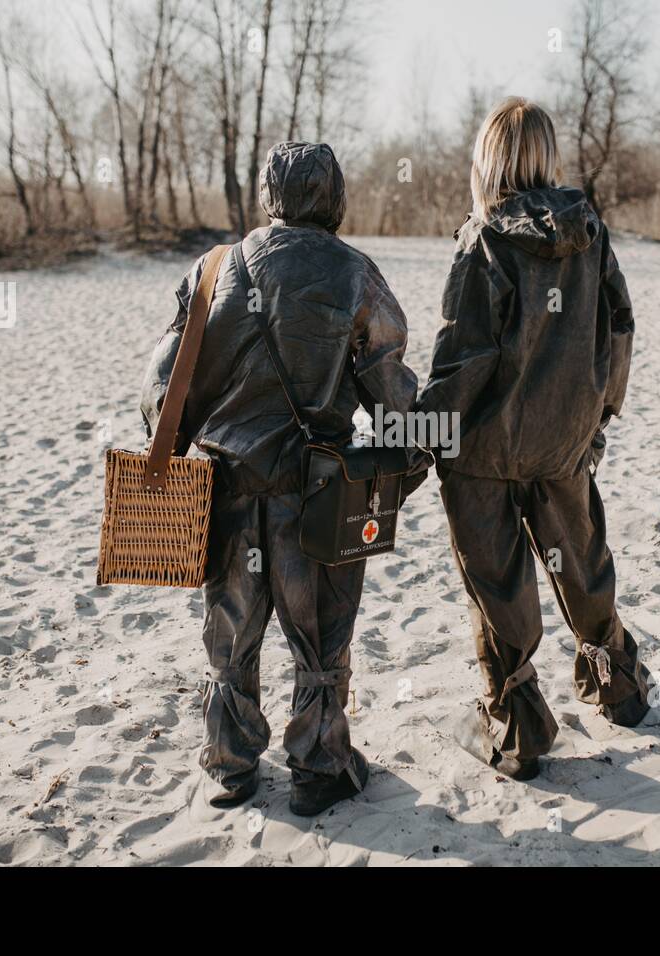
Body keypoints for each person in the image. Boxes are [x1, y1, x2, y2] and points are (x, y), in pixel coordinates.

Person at [140, 142, 422, 816]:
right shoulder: (354, 272)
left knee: (230, 631)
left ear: (269, 195)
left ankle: (232, 766)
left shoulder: (213, 269)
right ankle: (318, 766)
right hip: (316, 489)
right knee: (321, 634)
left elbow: (160, 388)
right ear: (335, 198)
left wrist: (178, 448)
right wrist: (405, 467)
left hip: (228, 487)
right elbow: (391, 387)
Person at [415, 97, 651, 782]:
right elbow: (620, 326)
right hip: (562, 445)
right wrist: (599, 417)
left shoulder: (484, 238)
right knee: (582, 564)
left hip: (485, 455)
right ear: (546, 156)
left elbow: (462, 364)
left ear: (488, 158)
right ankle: (621, 689)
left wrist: (420, 435)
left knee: (499, 588)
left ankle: (517, 730)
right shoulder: (588, 232)